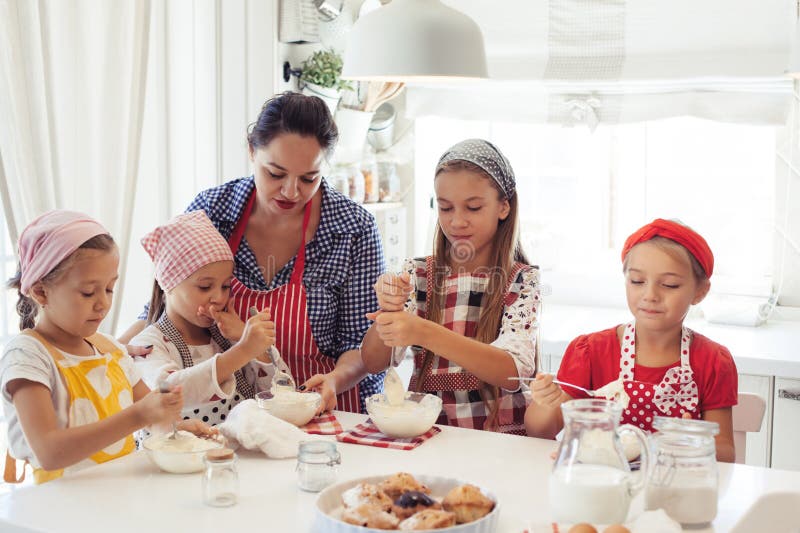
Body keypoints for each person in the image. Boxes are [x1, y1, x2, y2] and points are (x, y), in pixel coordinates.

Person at [119, 92, 384, 413]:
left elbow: (360, 343)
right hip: (236, 412)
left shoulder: (353, 228)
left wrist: (334, 381)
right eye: (276, 173)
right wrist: (109, 352)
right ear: (251, 151)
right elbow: (166, 300)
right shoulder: (213, 211)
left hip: (325, 406)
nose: (290, 190)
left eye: (308, 178)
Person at [0, 210, 213, 484]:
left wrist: (179, 428)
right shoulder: (28, 356)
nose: (103, 303)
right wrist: (139, 415)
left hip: (118, 496)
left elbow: (152, 416)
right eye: (88, 292)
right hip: (57, 512)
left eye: (109, 289)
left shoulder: (110, 349)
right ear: (41, 292)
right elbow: (49, 452)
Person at [361, 139, 540, 435]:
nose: (456, 221)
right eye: (445, 208)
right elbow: (373, 362)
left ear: (504, 207)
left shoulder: (521, 280)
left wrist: (422, 331)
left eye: (473, 207)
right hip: (429, 436)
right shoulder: (416, 274)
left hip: (498, 442)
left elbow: (511, 374)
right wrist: (389, 310)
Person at [524, 218, 737, 462]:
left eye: (669, 285)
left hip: (671, 486)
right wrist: (546, 401)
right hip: (602, 484)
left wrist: (689, 440)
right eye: (637, 281)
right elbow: (539, 431)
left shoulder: (713, 362)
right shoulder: (590, 352)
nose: (650, 295)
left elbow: (726, 454)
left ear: (700, 291)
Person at [130, 211, 281, 425]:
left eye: (226, 286)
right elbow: (170, 390)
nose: (219, 298)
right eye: (205, 286)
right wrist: (244, 350)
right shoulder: (147, 346)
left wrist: (254, 347)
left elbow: (280, 393)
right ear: (168, 284)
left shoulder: (228, 338)